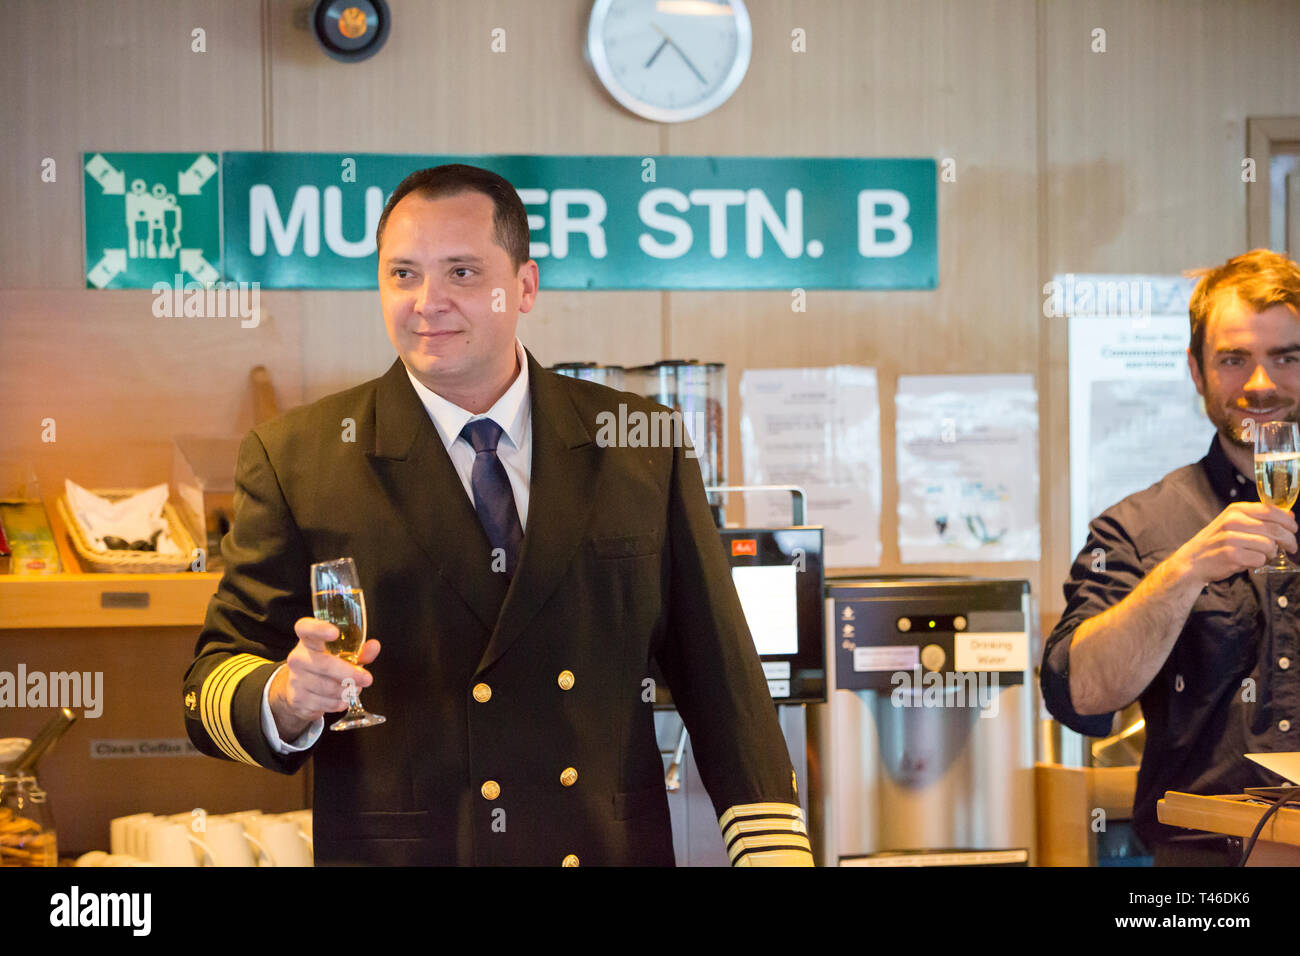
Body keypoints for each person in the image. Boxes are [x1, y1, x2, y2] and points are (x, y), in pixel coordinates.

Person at [182, 163, 812, 867]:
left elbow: (717, 670)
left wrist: (772, 853)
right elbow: (211, 681)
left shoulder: (639, 443)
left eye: (460, 272)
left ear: (526, 286)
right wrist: (286, 696)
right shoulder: (298, 457)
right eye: (402, 274)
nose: (427, 301)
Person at [1042, 248, 1300, 865]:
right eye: (1234, 359)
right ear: (1196, 370)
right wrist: (1183, 574)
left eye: (1286, 358)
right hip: (1202, 879)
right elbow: (1079, 694)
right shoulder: (1136, 528)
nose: (1260, 384)